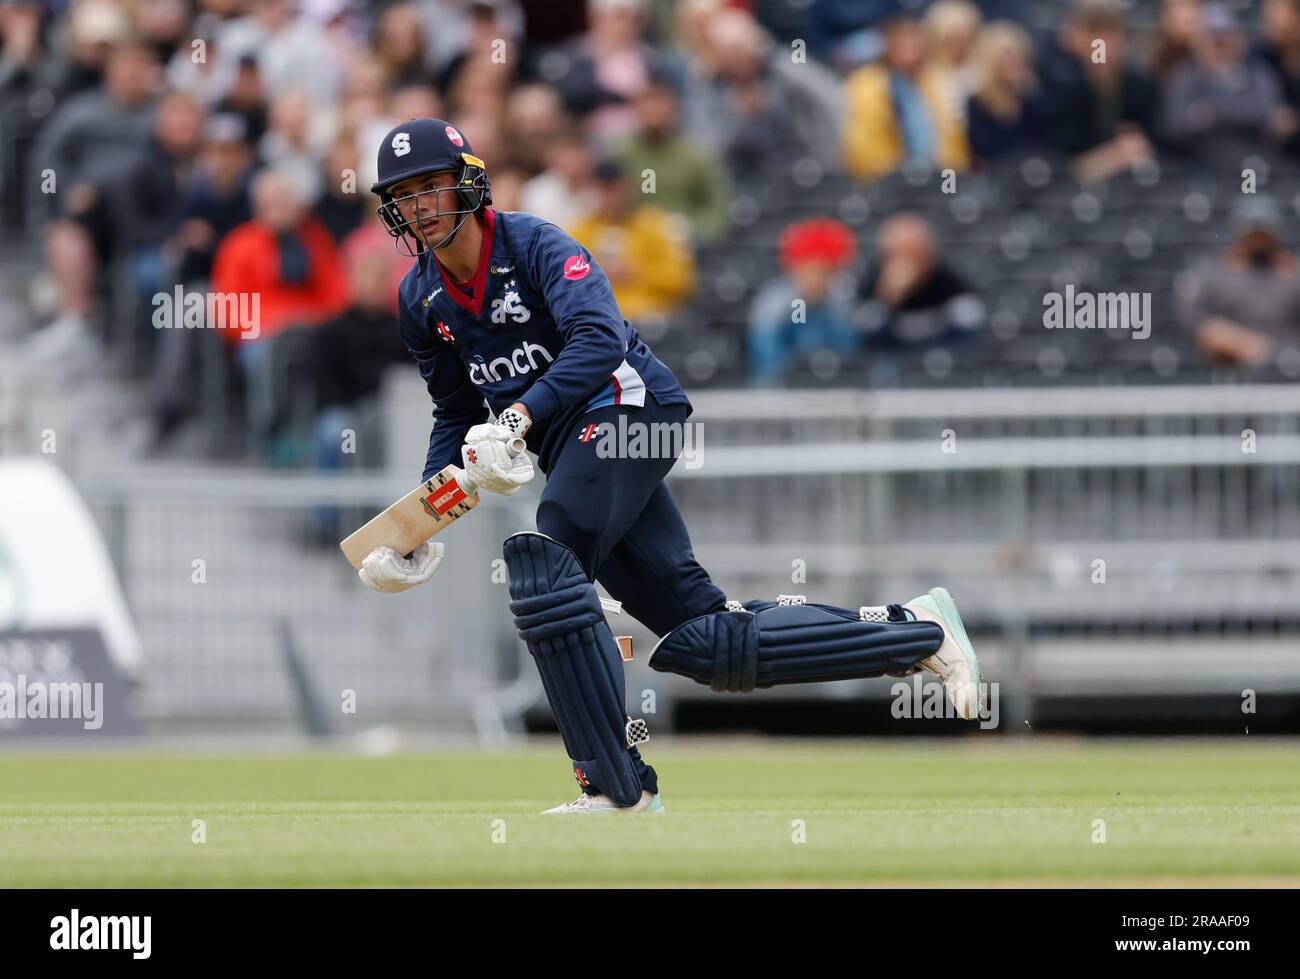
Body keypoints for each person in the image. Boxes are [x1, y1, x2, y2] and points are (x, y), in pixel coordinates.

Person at [355, 118, 986, 813]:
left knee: (547, 562)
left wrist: (518, 417)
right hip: (573, 447)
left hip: (632, 412)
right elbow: (453, 412)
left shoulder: (535, 245)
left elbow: (599, 339)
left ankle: (614, 790)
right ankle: (916, 629)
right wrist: (415, 526)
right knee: (709, 643)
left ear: (468, 182)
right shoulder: (419, 298)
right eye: (403, 195)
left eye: (430, 185)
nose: (418, 205)